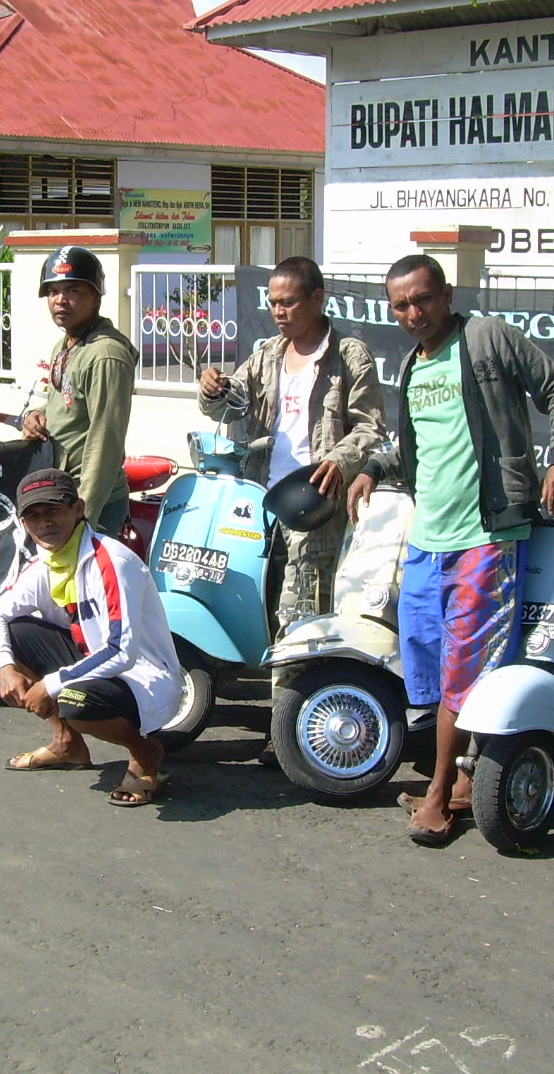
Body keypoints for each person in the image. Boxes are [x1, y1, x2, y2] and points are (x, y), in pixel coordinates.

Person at [348, 253, 554, 846]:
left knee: (462, 668)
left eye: (422, 299)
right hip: (428, 538)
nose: (413, 313)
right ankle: (455, 776)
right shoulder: (413, 364)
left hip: (486, 534)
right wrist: (374, 467)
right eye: (400, 304)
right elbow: (415, 444)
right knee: (423, 658)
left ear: (446, 294)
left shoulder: (486, 340)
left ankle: (439, 796)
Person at [197, 255, 385, 763]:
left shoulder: (349, 356)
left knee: (300, 615)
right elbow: (227, 404)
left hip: (316, 507)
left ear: (317, 299)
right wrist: (212, 388)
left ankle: (289, 738)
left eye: (289, 302)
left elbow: (370, 428)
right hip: (263, 503)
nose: (278, 311)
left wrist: (341, 460)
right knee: (264, 608)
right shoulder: (267, 355)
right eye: (273, 303)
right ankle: (288, 729)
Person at [0, 468, 183, 807]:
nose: (44, 523)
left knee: (74, 700)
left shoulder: (112, 560)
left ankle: (145, 753)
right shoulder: (46, 563)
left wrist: (50, 684)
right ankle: (67, 745)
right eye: (33, 515)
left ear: (78, 509)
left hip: (143, 678)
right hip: (94, 663)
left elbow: (121, 652)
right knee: (12, 637)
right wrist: (4, 668)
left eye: (53, 510)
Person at [19, 246, 136, 536]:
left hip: (89, 501)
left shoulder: (106, 353)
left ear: (96, 295)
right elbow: (66, 405)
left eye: (73, 290)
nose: (60, 300)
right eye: (52, 291)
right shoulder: (67, 344)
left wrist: (84, 516)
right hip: (61, 494)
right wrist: (38, 414)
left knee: (87, 580)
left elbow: (105, 440)